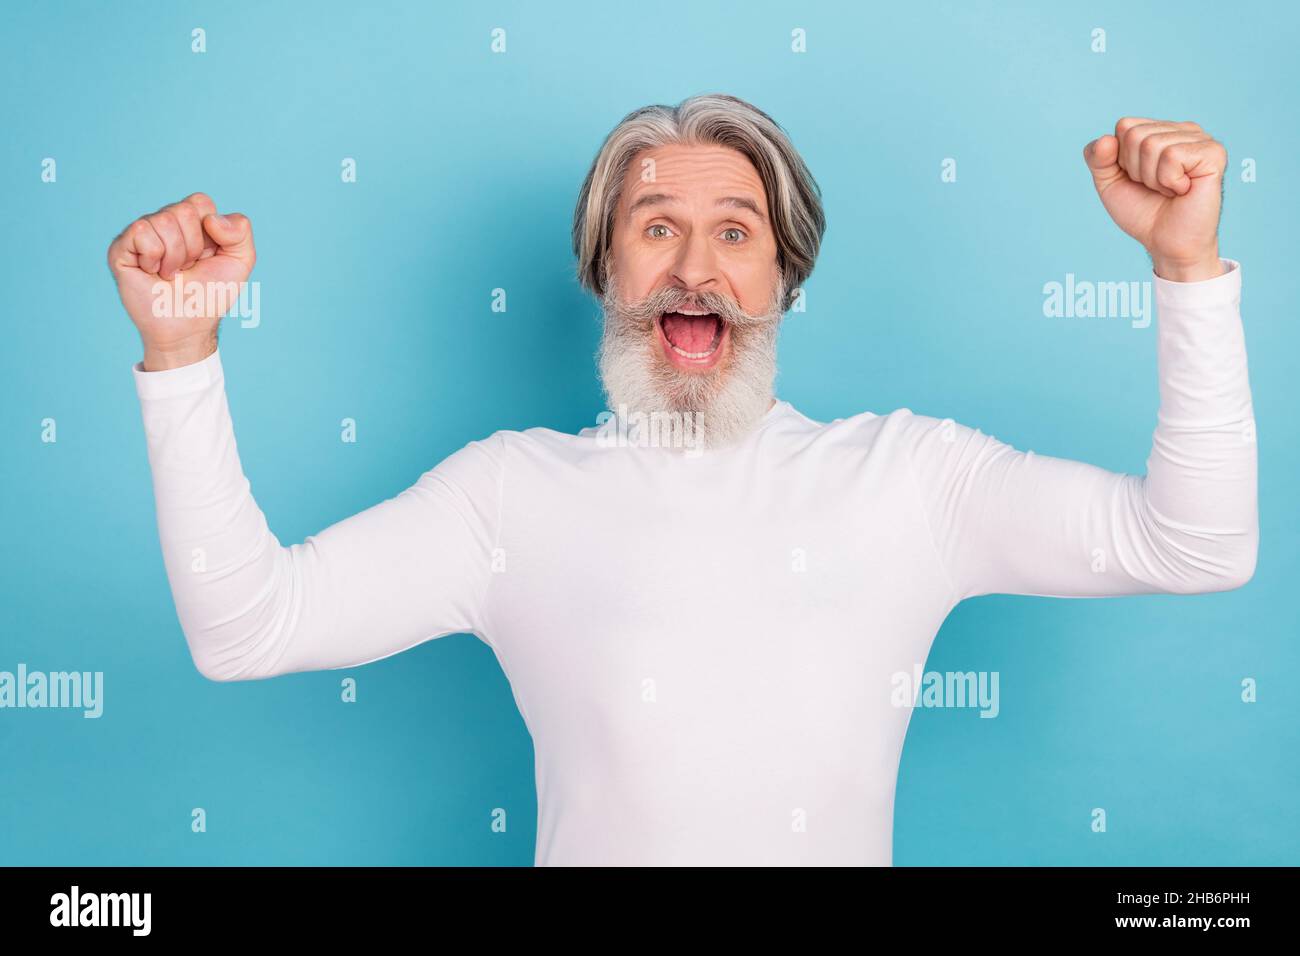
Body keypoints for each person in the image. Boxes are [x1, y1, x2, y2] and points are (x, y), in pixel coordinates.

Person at [108, 94, 1257, 865]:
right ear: (603, 267)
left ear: (783, 278)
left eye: (736, 232)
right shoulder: (506, 496)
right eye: (654, 227)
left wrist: (1185, 267)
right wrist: (180, 350)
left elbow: (1196, 544)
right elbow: (244, 627)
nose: (694, 268)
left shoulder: (911, 477)